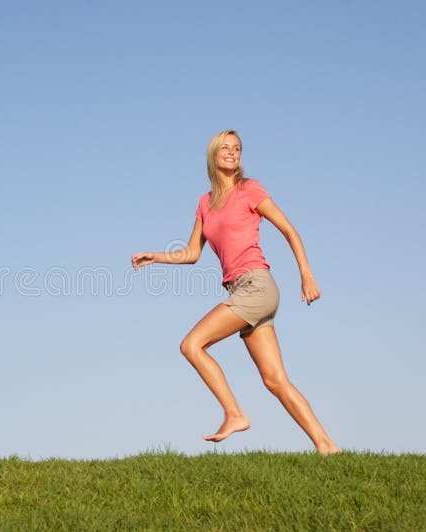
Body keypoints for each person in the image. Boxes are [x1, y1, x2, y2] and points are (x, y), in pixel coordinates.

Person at [131, 130, 339, 455]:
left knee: (192, 345)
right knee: (275, 380)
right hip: (244, 291)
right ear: (213, 155)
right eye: (225, 148)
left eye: (237, 148)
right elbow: (191, 253)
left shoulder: (249, 190)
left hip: (256, 285)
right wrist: (155, 256)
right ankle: (326, 446)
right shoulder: (205, 203)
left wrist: (306, 276)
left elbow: (289, 229)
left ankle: (234, 413)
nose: (232, 152)